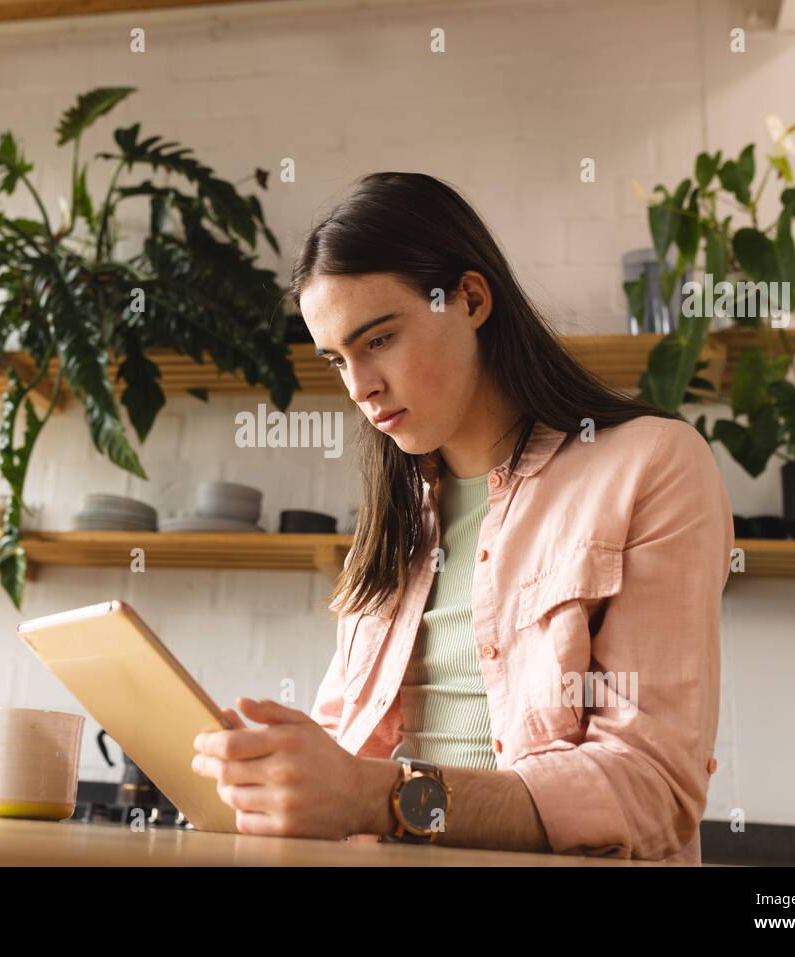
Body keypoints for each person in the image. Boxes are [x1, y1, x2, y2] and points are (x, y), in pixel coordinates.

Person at [191, 171, 734, 864]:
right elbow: (348, 750)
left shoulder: (653, 464)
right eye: (338, 360)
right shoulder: (397, 517)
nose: (360, 387)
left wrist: (376, 795)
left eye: (379, 339)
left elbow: (649, 788)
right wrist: (276, 775)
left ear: (471, 299)